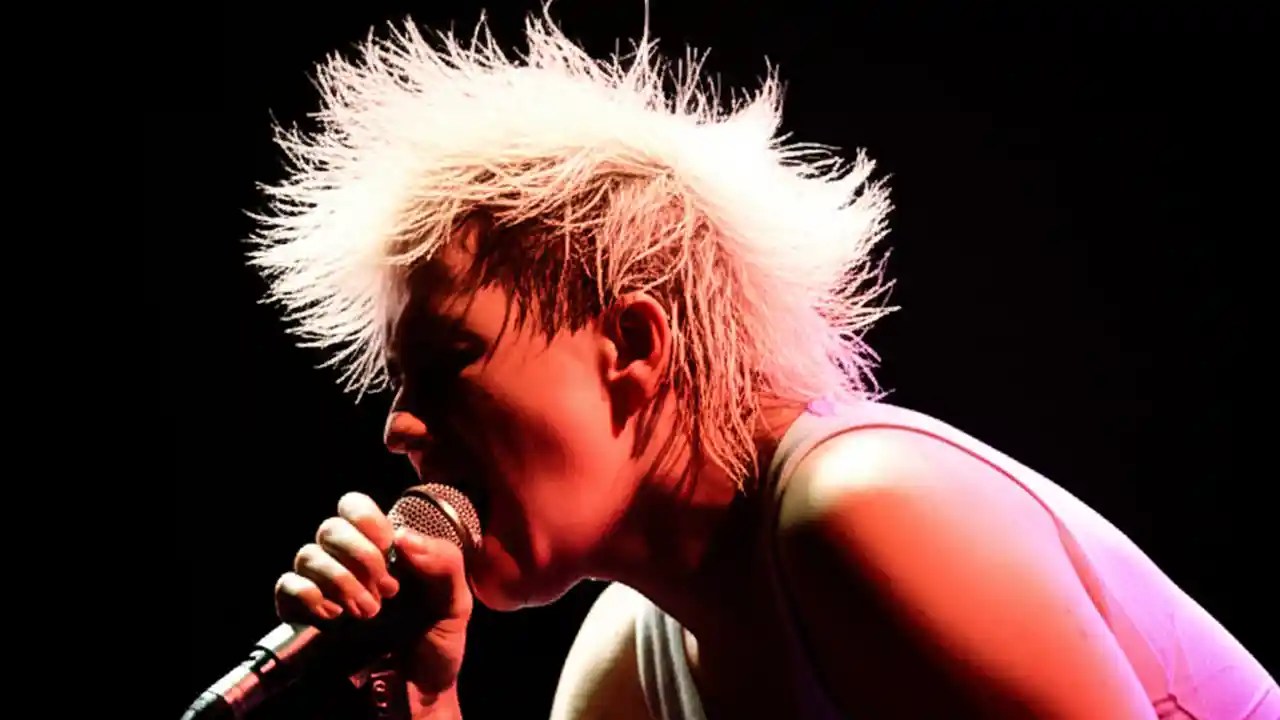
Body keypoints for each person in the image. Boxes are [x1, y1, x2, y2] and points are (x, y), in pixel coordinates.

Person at [249, 9, 1277, 720]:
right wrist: (425, 700)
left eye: (446, 363)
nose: (399, 426)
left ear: (631, 348)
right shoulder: (630, 667)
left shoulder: (865, 507)